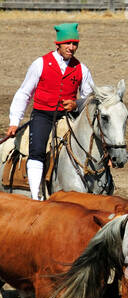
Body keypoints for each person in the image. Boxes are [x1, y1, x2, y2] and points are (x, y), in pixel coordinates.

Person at [6, 22, 95, 199]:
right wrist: (14, 121)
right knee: (37, 150)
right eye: (68, 43)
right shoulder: (40, 64)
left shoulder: (82, 69)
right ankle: (35, 196)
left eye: (75, 44)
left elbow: (90, 97)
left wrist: (76, 104)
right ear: (58, 44)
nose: (71, 47)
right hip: (42, 115)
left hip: (68, 117)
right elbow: (24, 93)